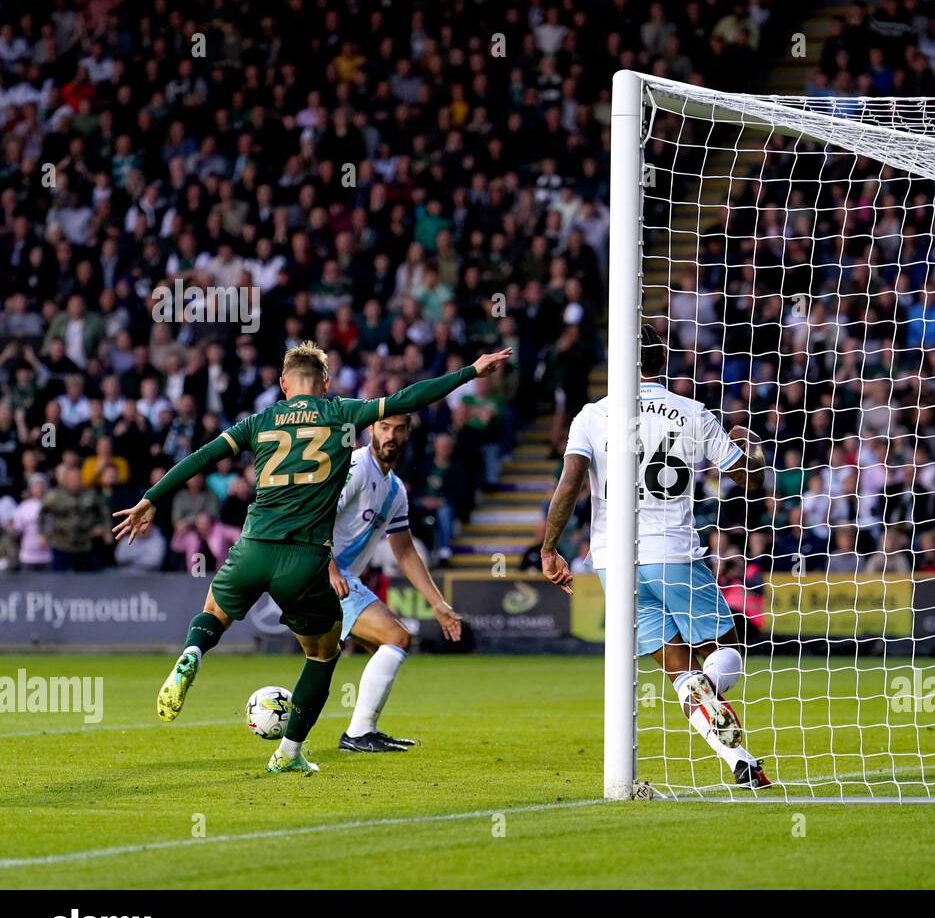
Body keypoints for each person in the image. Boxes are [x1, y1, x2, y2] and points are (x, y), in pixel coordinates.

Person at [113, 341, 511, 774]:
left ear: (283, 385)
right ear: (325, 383)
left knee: (214, 611)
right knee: (322, 654)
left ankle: (193, 651)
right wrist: (470, 371)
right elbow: (406, 399)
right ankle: (288, 753)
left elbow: (203, 456)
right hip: (305, 560)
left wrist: (151, 498)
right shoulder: (340, 413)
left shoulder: (259, 421)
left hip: (252, 547)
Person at [539, 324, 772, 788]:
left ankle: (739, 762)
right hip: (672, 551)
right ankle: (712, 701)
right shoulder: (693, 413)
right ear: (662, 361)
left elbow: (568, 484)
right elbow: (749, 481)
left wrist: (549, 548)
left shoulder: (592, 415)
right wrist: (754, 455)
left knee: (678, 671)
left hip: (611, 560)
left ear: (616, 363)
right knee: (724, 651)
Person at [328, 412, 463, 753]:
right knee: (396, 637)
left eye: (399, 429)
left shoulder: (395, 489)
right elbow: (318, 515)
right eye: (384, 427)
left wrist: (438, 603)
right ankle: (357, 733)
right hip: (322, 572)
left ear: (407, 435)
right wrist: (328, 568)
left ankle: (362, 730)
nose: (391, 435)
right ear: (370, 429)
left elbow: (404, 552)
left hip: (340, 577)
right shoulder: (356, 467)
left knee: (383, 648)